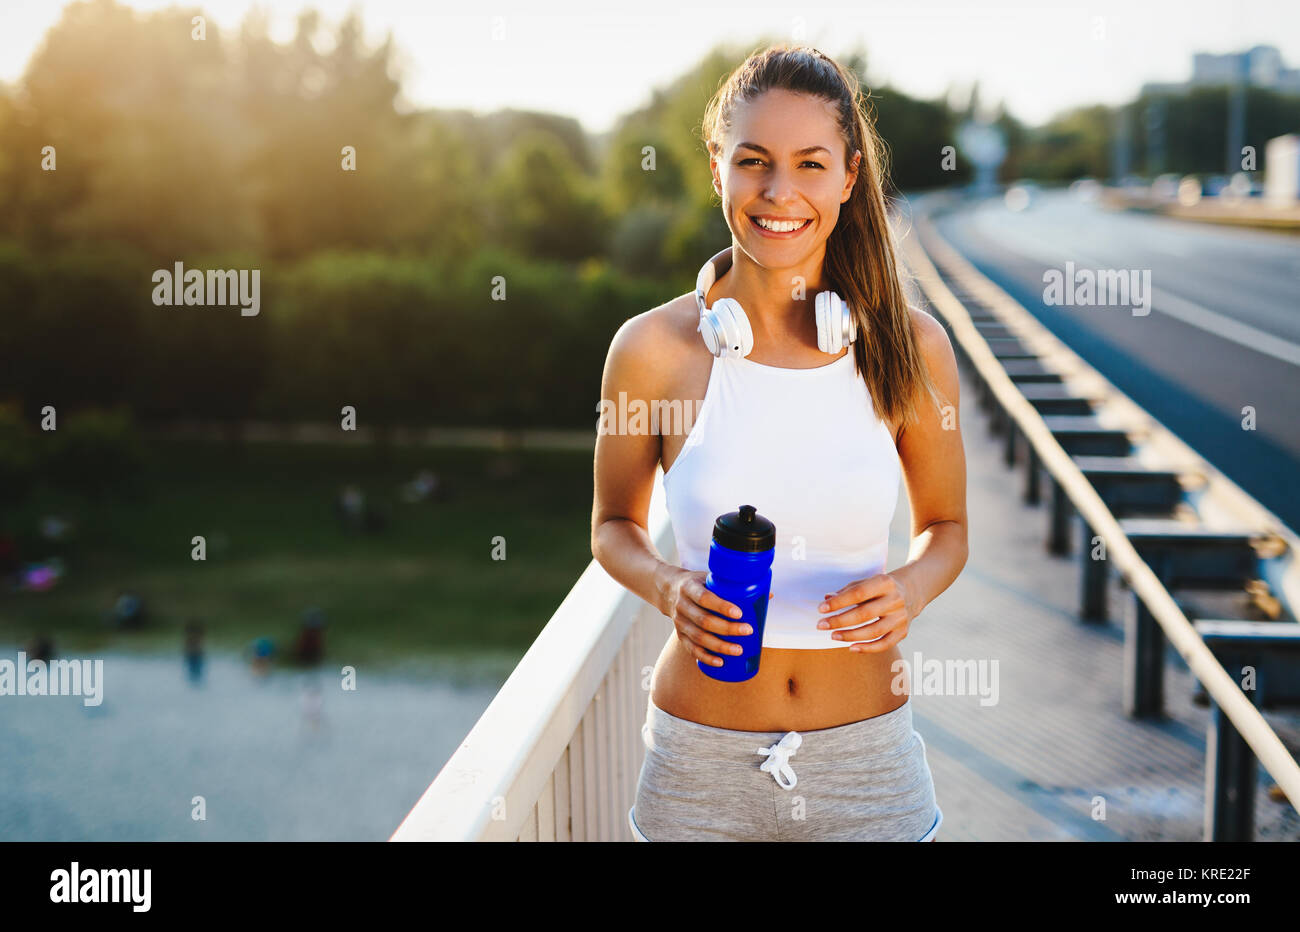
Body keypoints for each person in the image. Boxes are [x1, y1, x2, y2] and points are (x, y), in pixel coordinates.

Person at [591, 45, 968, 842]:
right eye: (753, 161)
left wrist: (913, 587)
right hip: (698, 772)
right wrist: (666, 587)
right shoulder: (650, 349)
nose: (779, 191)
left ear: (850, 176)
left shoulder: (913, 348)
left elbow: (949, 530)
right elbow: (612, 528)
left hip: (869, 768)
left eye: (810, 163)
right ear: (717, 166)